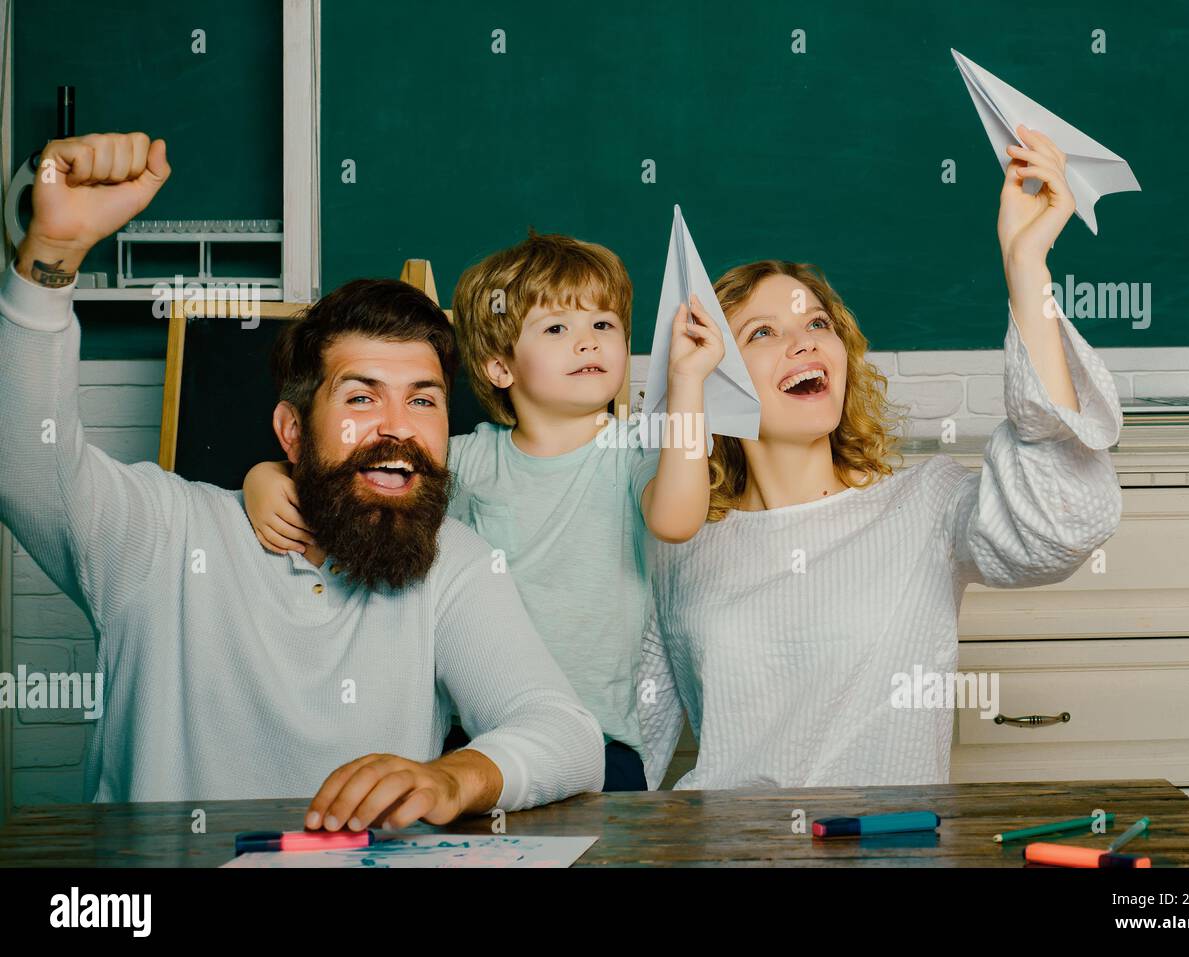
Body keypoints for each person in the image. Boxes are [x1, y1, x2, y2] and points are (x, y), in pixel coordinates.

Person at [0, 131, 604, 830]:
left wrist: (454, 777)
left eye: (423, 399)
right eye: (360, 396)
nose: (397, 427)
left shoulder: (454, 564)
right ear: (290, 432)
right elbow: (23, 460)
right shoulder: (163, 535)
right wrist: (53, 254)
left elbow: (566, 733)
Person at [637, 126, 1125, 790]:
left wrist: (1026, 262)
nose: (805, 343)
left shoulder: (924, 505)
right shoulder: (681, 538)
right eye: (763, 332)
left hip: (890, 848)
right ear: (715, 374)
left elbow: (1063, 518)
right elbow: (636, 731)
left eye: (818, 324)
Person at [243, 230, 724, 790]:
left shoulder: (634, 451)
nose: (589, 342)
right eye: (556, 328)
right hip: (466, 738)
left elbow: (678, 518)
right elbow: (371, 474)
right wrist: (267, 476)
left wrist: (686, 379)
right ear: (500, 368)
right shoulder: (468, 457)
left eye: (603, 324)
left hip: (597, 742)